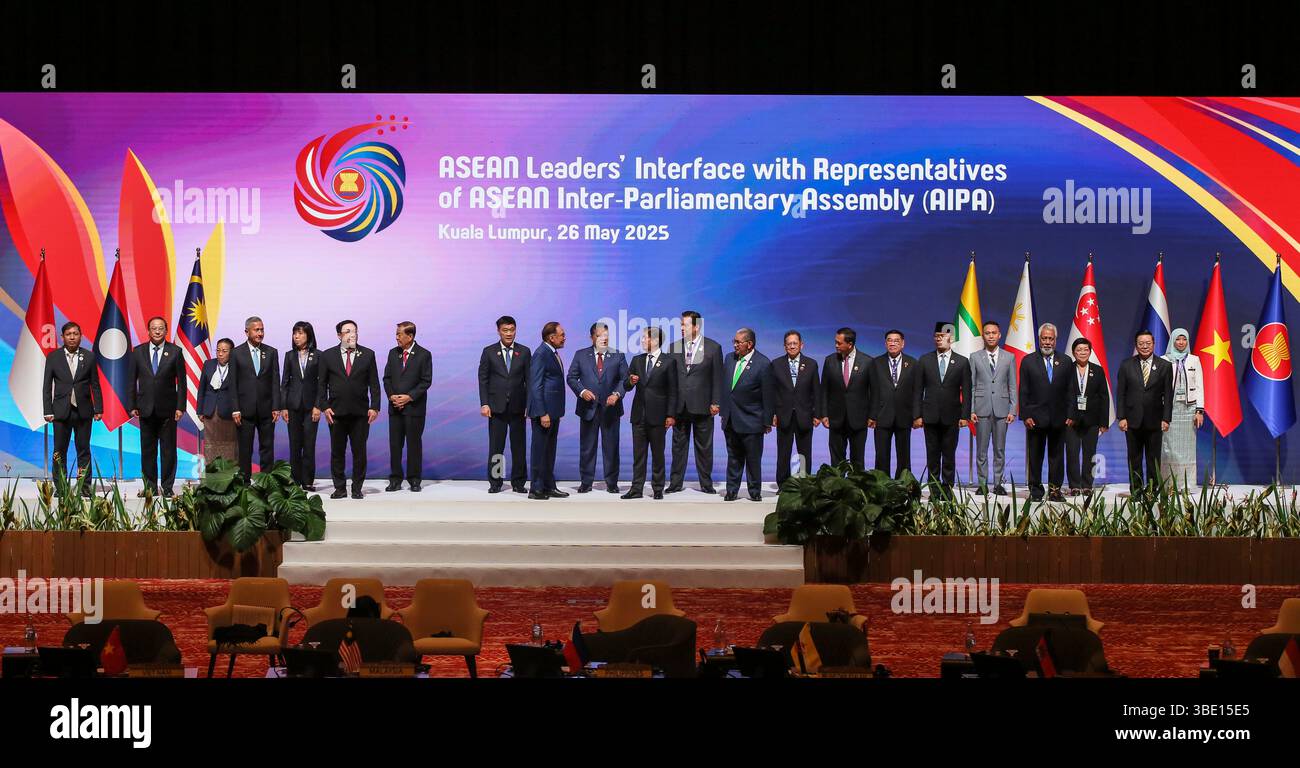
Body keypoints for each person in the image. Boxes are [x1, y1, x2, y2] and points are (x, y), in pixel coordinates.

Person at [315, 320, 381, 499]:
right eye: (348, 331)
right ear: (339, 335)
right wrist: (325, 407)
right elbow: (321, 385)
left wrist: (375, 406)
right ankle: (340, 488)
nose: (352, 335)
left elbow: (374, 384)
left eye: (355, 331)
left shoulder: (367, 354)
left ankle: (357, 488)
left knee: (359, 452)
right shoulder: (328, 355)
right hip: (335, 413)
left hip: (360, 413)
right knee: (337, 452)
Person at [127, 316, 186, 497]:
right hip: (145, 409)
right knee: (147, 451)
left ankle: (167, 487)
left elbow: (182, 382)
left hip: (168, 410)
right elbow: (131, 381)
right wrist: (132, 405)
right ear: (149, 331)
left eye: (161, 328)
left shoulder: (175, 351)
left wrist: (180, 407)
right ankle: (150, 487)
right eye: (154, 328)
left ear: (166, 331)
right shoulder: (138, 352)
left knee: (168, 451)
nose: (158, 331)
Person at [666, 310, 723, 493]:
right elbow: (670, 379)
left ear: (696, 327)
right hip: (680, 406)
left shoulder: (713, 347)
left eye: (685, 325)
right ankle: (675, 484)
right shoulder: (674, 347)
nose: (681, 328)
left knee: (704, 448)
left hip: (703, 405)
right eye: (681, 325)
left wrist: (716, 402)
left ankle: (706, 484)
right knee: (678, 447)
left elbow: (717, 378)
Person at [567, 322, 627, 493]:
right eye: (600, 335)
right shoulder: (580, 355)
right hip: (588, 408)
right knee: (587, 447)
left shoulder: (618, 355)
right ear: (592, 337)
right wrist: (582, 391)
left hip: (611, 409)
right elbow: (571, 377)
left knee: (611, 448)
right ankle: (586, 482)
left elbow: (625, 380)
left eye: (606, 335)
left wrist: (616, 394)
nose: (604, 338)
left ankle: (612, 483)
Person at [42, 322, 102, 493]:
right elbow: (47, 386)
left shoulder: (89, 357)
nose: (72, 337)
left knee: (83, 450)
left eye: (76, 333)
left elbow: (95, 385)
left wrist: (98, 409)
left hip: (84, 411)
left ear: (80, 336)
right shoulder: (53, 357)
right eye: (69, 334)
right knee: (59, 451)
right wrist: (48, 410)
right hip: (61, 412)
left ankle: (84, 487)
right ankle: (60, 487)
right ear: (63, 337)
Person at [913, 323, 971, 492]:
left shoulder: (961, 361)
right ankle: (934, 489)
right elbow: (917, 390)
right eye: (936, 336)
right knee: (932, 455)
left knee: (948, 455)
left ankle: (947, 489)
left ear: (951, 338)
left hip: (952, 416)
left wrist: (964, 416)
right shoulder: (925, 360)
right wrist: (917, 415)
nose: (938, 339)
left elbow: (967, 391)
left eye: (942, 336)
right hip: (930, 415)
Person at [623, 326, 679, 499]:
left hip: (659, 416)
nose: (642, 341)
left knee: (657, 454)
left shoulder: (669, 362)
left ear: (655, 340)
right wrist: (630, 382)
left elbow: (673, 391)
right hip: (639, 415)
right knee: (638, 455)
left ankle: (657, 489)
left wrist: (670, 415)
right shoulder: (637, 360)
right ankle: (636, 489)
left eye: (644, 338)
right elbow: (626, 385)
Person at [1116, 329, 1173, 492]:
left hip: (1155, 421)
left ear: (1154, 344)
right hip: (1132, 420)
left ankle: (1153, 490)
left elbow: (1169, 395)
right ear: (1136, 345)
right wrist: (1121, 417)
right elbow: (1121, 393)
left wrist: (1166, 418)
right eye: (1141, 343)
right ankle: (1136, 489)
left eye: (1148, 343)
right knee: (1134, 458)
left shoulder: (1165, 366)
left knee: (1153, 458)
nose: (1145, 346)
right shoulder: (1126, 365)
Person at [1019, 323, 1071, 501]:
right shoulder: (1028, 361)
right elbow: (1023, 391)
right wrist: (1025, 415)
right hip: (1035, 419)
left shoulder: (1065, 361)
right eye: (1044, 338)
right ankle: (1035, 490)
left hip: (1059, 418)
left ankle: (1055, 491)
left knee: (1056, 457)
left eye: (1050, 339)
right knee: (1035, 456)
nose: (1047, 342)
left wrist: (1071, 415)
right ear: (1039, 339)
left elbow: (1070, 391)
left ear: (1056, 341)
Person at [479, 316, 530, 494]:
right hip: (496, 408)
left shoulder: (524, 352)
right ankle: (496, 482)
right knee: (497, 448)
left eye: (512, 330)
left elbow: (529, 381)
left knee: (519, 447)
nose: (509, 333)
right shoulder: (489, 351)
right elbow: (483, 380)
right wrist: (484, 403)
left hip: (518, 407)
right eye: (505, 330)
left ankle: (518, 482)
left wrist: (529, 405)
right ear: (498, 331)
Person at [720, 328, 773, 501]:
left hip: (752, 420)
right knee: (733, 458)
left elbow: (768, 395)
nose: (735, 345)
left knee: (753, 459)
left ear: (749, 344)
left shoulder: (763, 363)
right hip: (730, 419)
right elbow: (726, 387)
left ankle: (754, 491)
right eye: (734, 341)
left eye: (738, 342)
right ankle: (732, 490)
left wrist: (766, 422)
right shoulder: (729, 358)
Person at [383, 321, 433, 492]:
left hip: (414, 409)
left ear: (410, 336)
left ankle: (414, 479)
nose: (396, 337)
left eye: (399, 334)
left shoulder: (424, 354)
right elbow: (387, 378)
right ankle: (395, 479)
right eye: (396, 334)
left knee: (414, 444)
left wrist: (409, 397)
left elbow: (426, 381)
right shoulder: (392, 353)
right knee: (395, 445)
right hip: (395, 407)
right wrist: (391, 396)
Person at [969, 320, 1017, 495]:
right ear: (983, 335)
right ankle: (982, 483)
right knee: (981, 449)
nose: (990, 336)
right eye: (987, 333)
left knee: (999, 449)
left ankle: (998, 483)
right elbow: (972, 386)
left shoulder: (1009, 357)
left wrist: (1013, 410)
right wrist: (971, 409)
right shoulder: (974, 357)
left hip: (1002, 409)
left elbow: (1012, 385)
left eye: (993, 333)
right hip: (981, 409)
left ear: (999, 335)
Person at [770, 330, 822, 486]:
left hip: (805, 415)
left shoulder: (811, 364)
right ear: (784, 346)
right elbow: (772, 391)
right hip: (783, 415)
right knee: (783, 453)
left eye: (795, 343)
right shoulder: (776, 364)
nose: (792, 346)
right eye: (789, 344)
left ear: (801, 345)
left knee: (804, 453)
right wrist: (772, 413)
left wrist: (817, 414)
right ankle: (783, 485)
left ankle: (803, 484)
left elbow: (816, 391)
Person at [232, 316, 281, 480]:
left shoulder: (271, 352)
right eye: (256, 330)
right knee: (245, 449)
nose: (260, 333)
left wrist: (276, 406)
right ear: (247, 331)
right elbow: (232, 384)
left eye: (262, 329)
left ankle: (266, 481)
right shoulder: (236, 353)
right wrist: (235, 409)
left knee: (267, 447)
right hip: (244, 411)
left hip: (267, 409)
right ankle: (245, 482)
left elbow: (275, 381)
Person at [820, 327, 872, 470]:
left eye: (839, 343)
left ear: (850, 344)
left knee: (857, 460)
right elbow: (824, 389)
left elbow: (873, 391)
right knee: (836, 461)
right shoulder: (830, 361)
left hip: (859, 419)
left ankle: (856, 490)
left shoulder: (867, 362)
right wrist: (823, 414)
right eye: (835, 342)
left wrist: (872, 415)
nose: (836, 345)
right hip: (836, 419)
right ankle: (838, 491)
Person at [868, 329, 917, 478]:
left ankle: (903, 488)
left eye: (896, 341)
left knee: (904, 456)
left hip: (905, 416)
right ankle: (883, 489)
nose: (893, 343)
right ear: (885, 343)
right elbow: (871, 391)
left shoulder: (913, 363)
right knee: (881, 456)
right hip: (882, 416)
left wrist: (916, 415)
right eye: (890, 340)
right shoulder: (876, 363)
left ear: (903, 343)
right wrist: (872, 415)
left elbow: (916, 392)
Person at [528, 321, 568, 500]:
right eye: (562, 334)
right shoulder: (541, 354)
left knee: (549, 450)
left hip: (554, 411)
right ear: (551, 338)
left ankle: (548, 485)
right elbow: (535, 386)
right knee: (540, 450)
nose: (564, 337)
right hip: (544, 412)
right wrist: (542, 412)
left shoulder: (551, 352)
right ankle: (535, 488)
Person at [1064, 337, 1109, 494]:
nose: (1082, 352)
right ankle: (1075, 485)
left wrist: (1104, 422)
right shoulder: (1067, 369)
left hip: (1092, 420)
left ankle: (1087, 485)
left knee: (1090, 453)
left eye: (1085, 350)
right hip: (1071, 421)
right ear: (1073, 352)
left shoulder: (1097, 370)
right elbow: (1062, 395)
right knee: (1072, 453)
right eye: (1078, 350)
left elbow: (1104, 397)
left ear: (1090, 352)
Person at [1161, 328, 1204, 488]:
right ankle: (1168, 484)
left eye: (1184, 339)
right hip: (1169, 410)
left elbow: (1200, 385)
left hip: (1189, 409)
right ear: (1172, 341)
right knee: (1168, 447)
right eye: (1178, 339)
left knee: (1188, 448)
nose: (1181, 342)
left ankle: (1187, 485)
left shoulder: (1194, 360)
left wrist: (1199, 410)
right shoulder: (1164, 359)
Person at [280, 321, 320, 490]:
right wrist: (284, 407)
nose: (297, 336)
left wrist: (319, 406)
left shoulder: (319, 355)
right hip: (293, 405)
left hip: (312, 407)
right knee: (295, 445)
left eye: (301, 333)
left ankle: (308, 481)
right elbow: (285, 383)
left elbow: (322, 384)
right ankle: (295, 480)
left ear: (308, 335)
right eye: (295, 333)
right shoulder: (289, 355)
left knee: (309, 445)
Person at [197, 338, 241, 464]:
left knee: (229, 444)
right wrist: (200, 410)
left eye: (224, 351)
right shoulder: (209, 364)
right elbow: (202, 389)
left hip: (229, 411)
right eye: (218, 350)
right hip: (210, 411)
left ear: (231, 352)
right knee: (210, 444)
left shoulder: (237, 366)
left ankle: (228, 477)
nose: (220, 353)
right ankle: (211, 478)